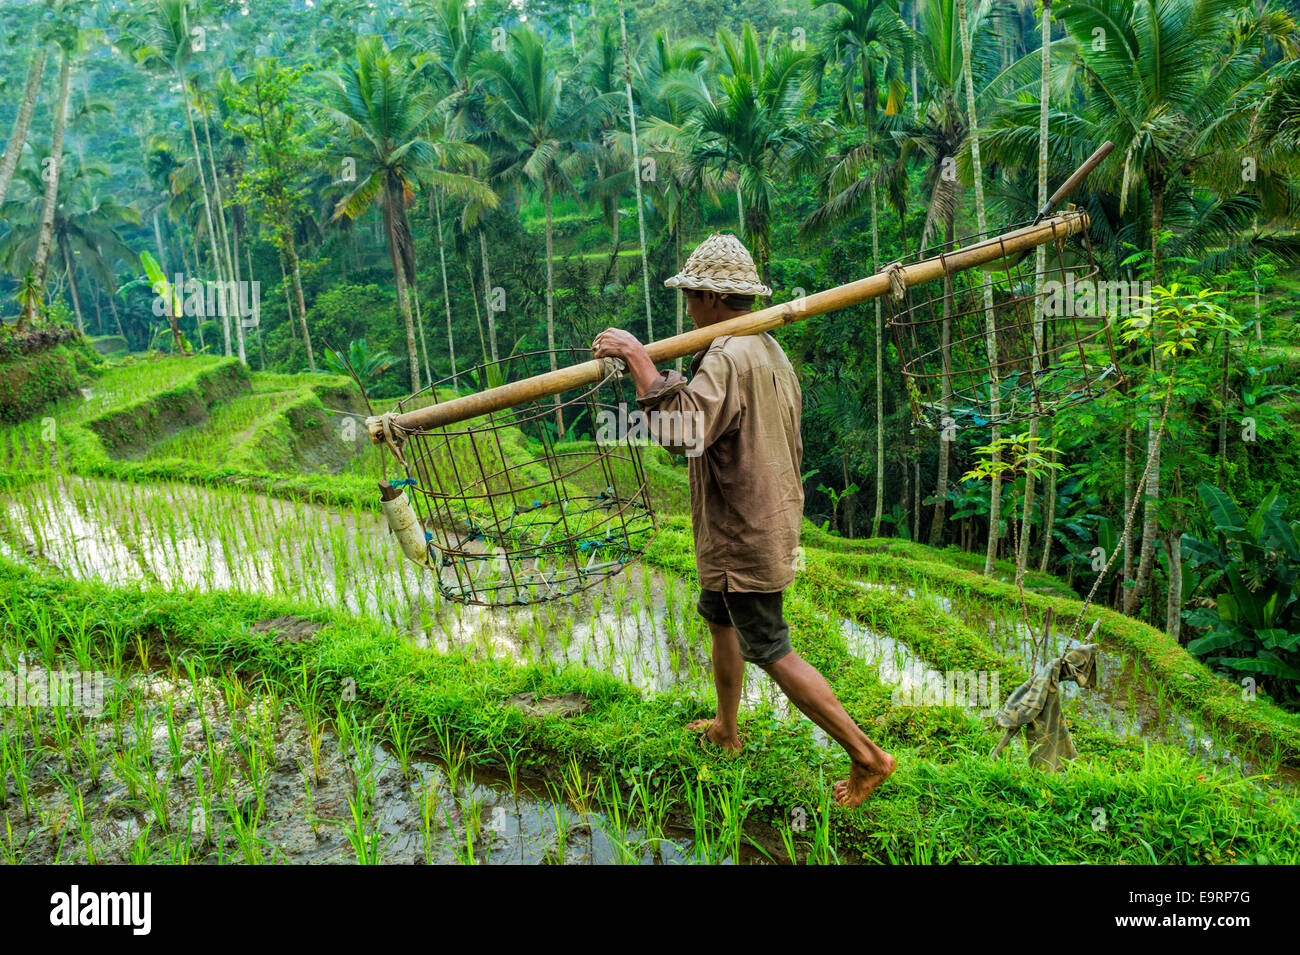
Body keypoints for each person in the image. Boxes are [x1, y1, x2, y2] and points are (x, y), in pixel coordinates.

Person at [592, 232, 896, 807]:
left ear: (711, 297)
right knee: (719, 618)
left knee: (770, 646)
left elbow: (683, 431)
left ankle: (868, 757)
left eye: (690, 296)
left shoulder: (729, 355)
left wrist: (637, 357)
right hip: (747, 518)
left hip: (745, 528)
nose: (687, 307)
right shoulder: (765, 346)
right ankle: (725, 730)